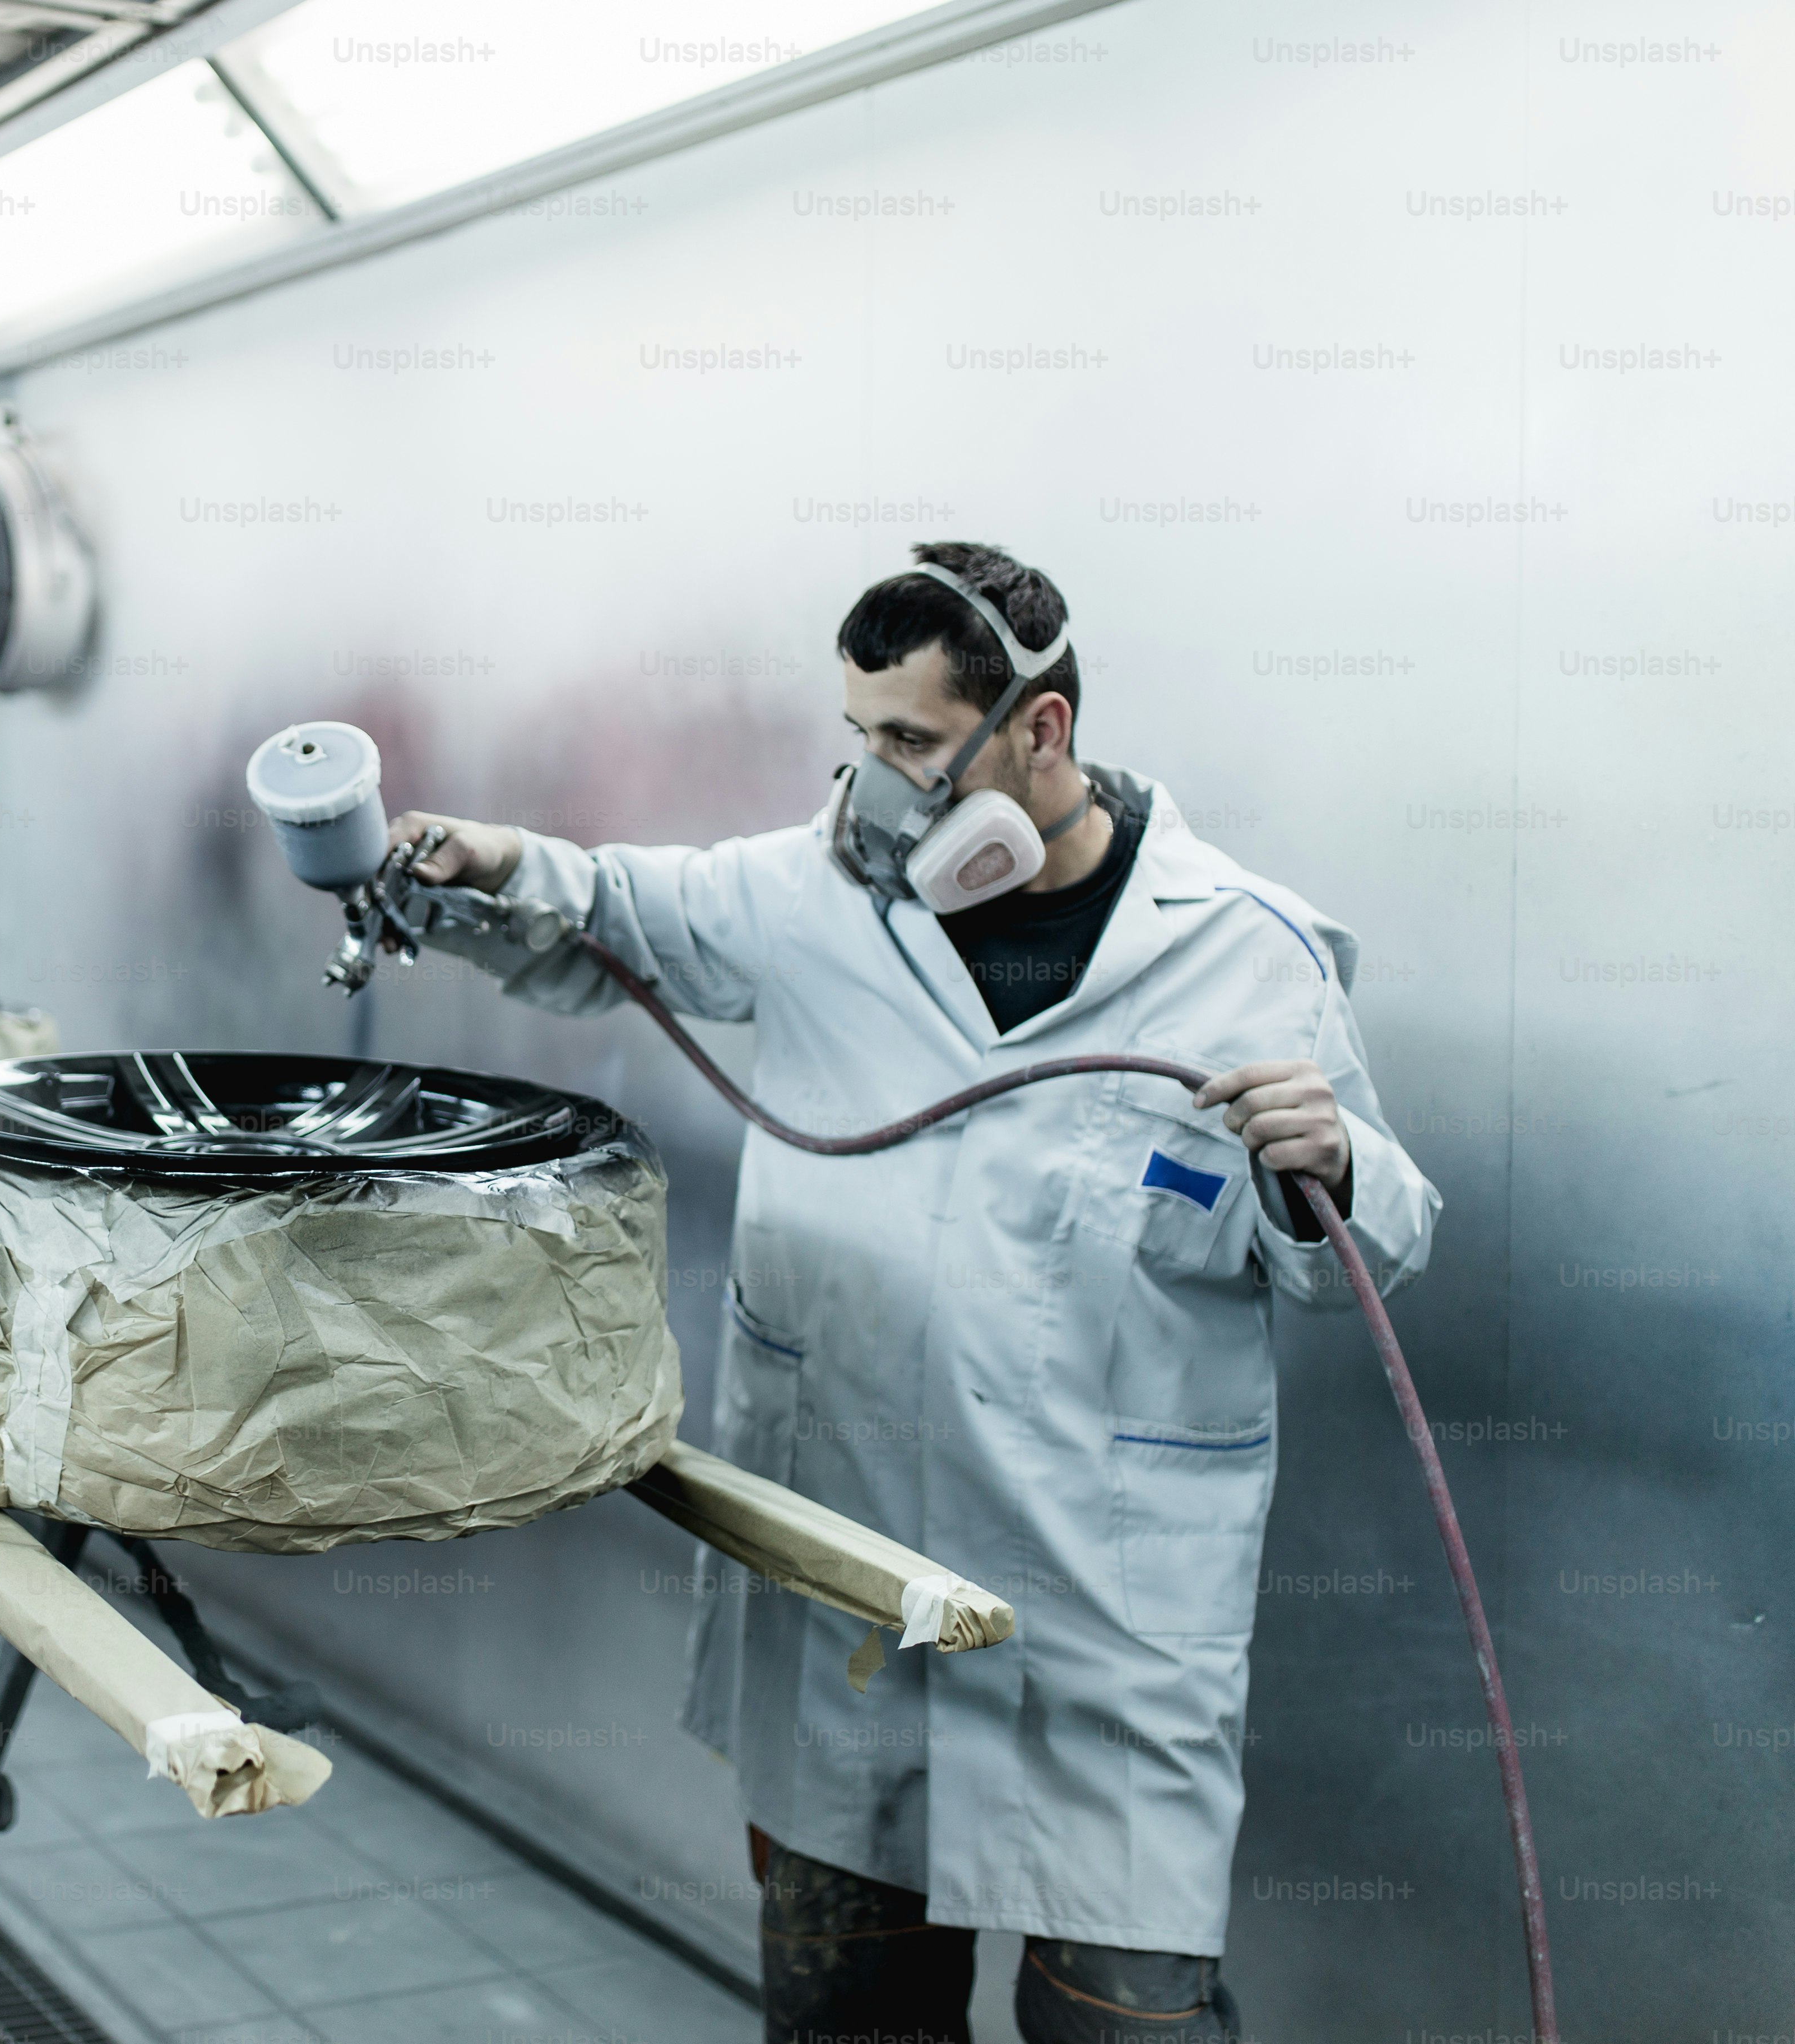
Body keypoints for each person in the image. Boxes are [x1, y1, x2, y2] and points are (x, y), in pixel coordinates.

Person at [395, 542, 1440, 2043]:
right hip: (853, 1588)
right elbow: (616, 911)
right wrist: (492, 864)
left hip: (1104, 1616)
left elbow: (1372, 1246)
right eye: (858, 741)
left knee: (1122, 2020)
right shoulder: (815, 894)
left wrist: (1329, 1158)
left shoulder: (1238, 953)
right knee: (843, 2007)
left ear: (1043, 730)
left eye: (914, 746)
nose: (875, 790)